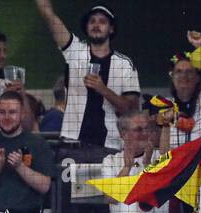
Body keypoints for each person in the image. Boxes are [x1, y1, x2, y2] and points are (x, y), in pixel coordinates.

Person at [34, 1, 140, 150]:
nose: (96, 25)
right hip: (72, 144)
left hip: (108, 146)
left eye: (102, 21)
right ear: (86, 27)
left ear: (111, 29)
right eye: (92, 21)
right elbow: (49, 16)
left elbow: (132, 110)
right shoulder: (74, 51)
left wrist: (103, 89)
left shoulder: (125, 64)